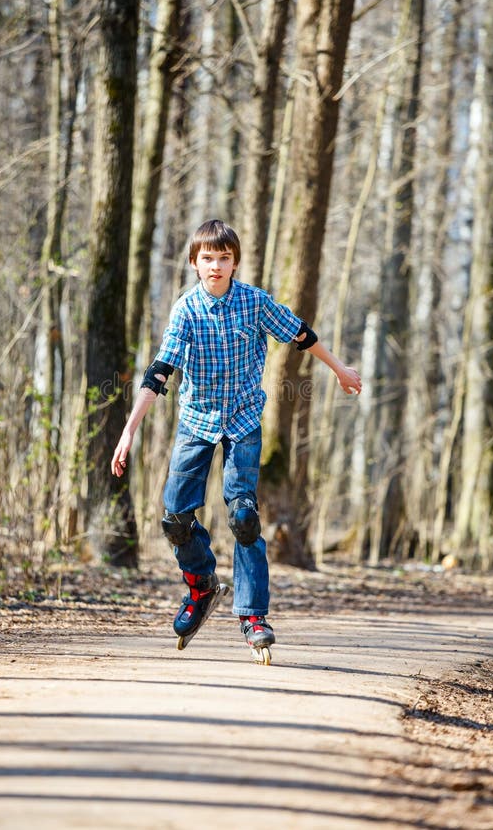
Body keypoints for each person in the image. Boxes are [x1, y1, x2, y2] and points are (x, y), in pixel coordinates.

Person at [111, 219, 361, 663]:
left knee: (244, 516)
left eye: (224, 258)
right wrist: (129, 431)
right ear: (194, 263)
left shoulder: (254, 302)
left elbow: (301, 333)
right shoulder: (186, 311)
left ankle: (253, 615)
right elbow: (159, 372)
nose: (216, 266)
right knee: (175, 519)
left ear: (235, 263)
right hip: (196, 421)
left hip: (244, 420)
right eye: (207, 258)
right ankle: (201, 586)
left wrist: (340, 369)